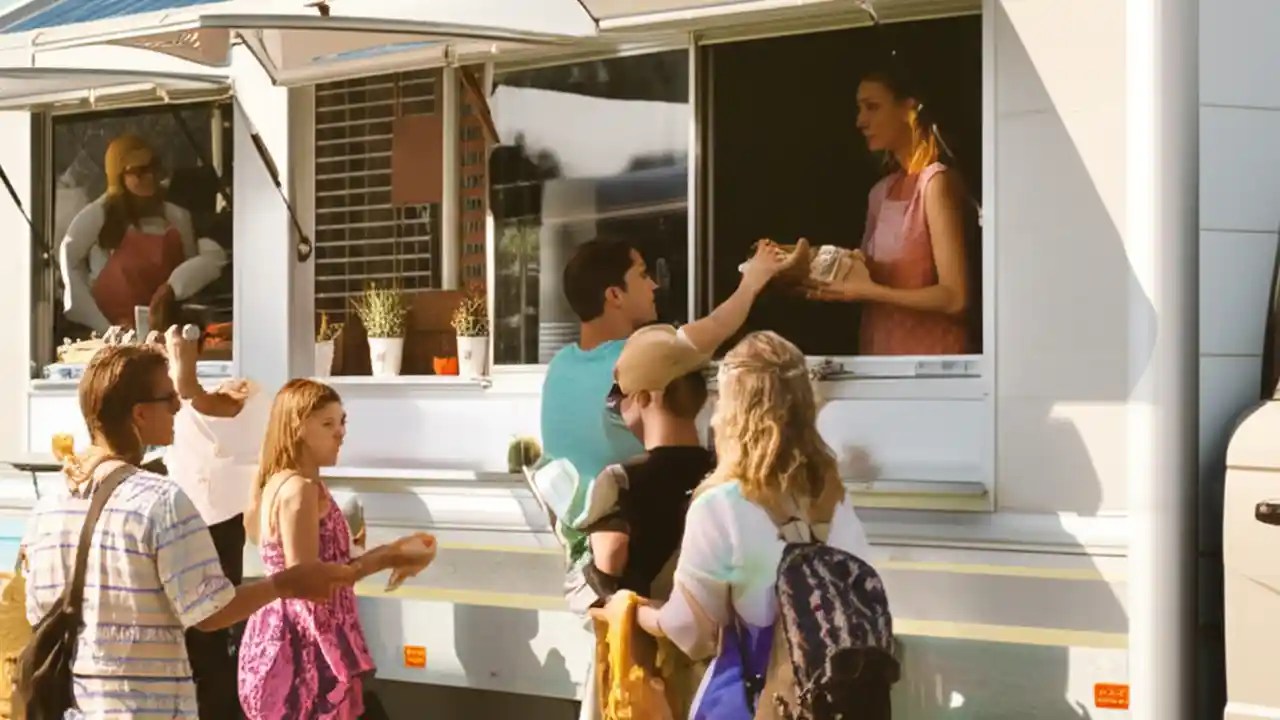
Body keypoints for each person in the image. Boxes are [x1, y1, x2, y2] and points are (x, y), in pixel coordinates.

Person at [20, 340, 356, 719]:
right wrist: (284, 584)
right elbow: (210, 610)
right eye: (169, 397)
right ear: (140, 414)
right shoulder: (160, 500)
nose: (180, 406)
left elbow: (38, 612)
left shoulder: (48, 504)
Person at [538, 238, 786, 720]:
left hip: (590, 572)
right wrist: (754, 279)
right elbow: (707, 334)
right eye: (642, 274)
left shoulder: (560, 369)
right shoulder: (633, 359)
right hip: (643, 574)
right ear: (614, 294)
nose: (654, 284)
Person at [591, 331, 877, 718]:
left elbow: (691, 631)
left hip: (754, 699)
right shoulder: (829, 495)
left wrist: (632, 610)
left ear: (734, 412)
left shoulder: (720, 504)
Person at [238, 379, 437, 720]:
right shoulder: (300, 490)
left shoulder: (276, 483)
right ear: (297, 428)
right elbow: (308, 582)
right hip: (306, 651)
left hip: (279, 640)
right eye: (328, 423)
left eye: (342, 421)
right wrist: (389, 555)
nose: (340, 433)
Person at [576, 324, 716, 718]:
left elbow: (611, 559)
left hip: (642, 670)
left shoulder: (621, 480)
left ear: (643, 398)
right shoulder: (727, 475)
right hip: (715, 670)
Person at [807, 68, 971, 355]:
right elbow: (862, 272)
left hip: (930, 364)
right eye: (859, 109)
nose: (860, 121)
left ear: (909, 110)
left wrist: (869, 292)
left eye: (872, 107)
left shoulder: (935, 183)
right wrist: (804, 269)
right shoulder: (881, 192)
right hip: (880, 354)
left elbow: (955, 297)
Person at [161, 330, 271, 719]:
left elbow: (224, 406)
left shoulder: (245, 388)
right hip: (186, 522)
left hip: (216, 523)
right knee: (197, 644)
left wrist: (186, 382)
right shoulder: (174, 396)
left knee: (210, 640)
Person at [59, 134, 227, 335]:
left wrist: (171, 291)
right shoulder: (98, 215)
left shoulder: (177, 216)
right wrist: (102, 326)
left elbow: (193, 263)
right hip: (113, 334)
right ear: (118, 176)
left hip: (164, 331)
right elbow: (69, 260)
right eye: (139, 172)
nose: (149, 177)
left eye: (153, 169)